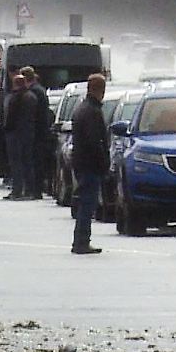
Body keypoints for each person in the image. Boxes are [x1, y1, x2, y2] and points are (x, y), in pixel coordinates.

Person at [70, 73, 109, 254]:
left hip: (82, 162)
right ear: (100, 90)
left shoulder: (82, 108)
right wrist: (103, 163)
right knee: (87, 203)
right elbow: (95, 141)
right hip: (89, 164)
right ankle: (81, 241)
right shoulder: (92, 111)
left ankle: (81, 240)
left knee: (85, 202)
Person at [2, 74, 38, 200]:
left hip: (16, 134)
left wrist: (7, 129)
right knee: (27, 162)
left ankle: (17, 190)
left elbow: (11, 117)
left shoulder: (16, 97)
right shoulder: (32, 97)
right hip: (29, 133)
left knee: (16, 163)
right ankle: (29, 190)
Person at [21, 67, 53, 197]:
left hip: (36, 132)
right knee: (36, 161)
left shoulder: (34, 92)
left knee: (34, 161)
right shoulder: (39, 90)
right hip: (40, 131)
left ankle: (35, 189)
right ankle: (35, 189)